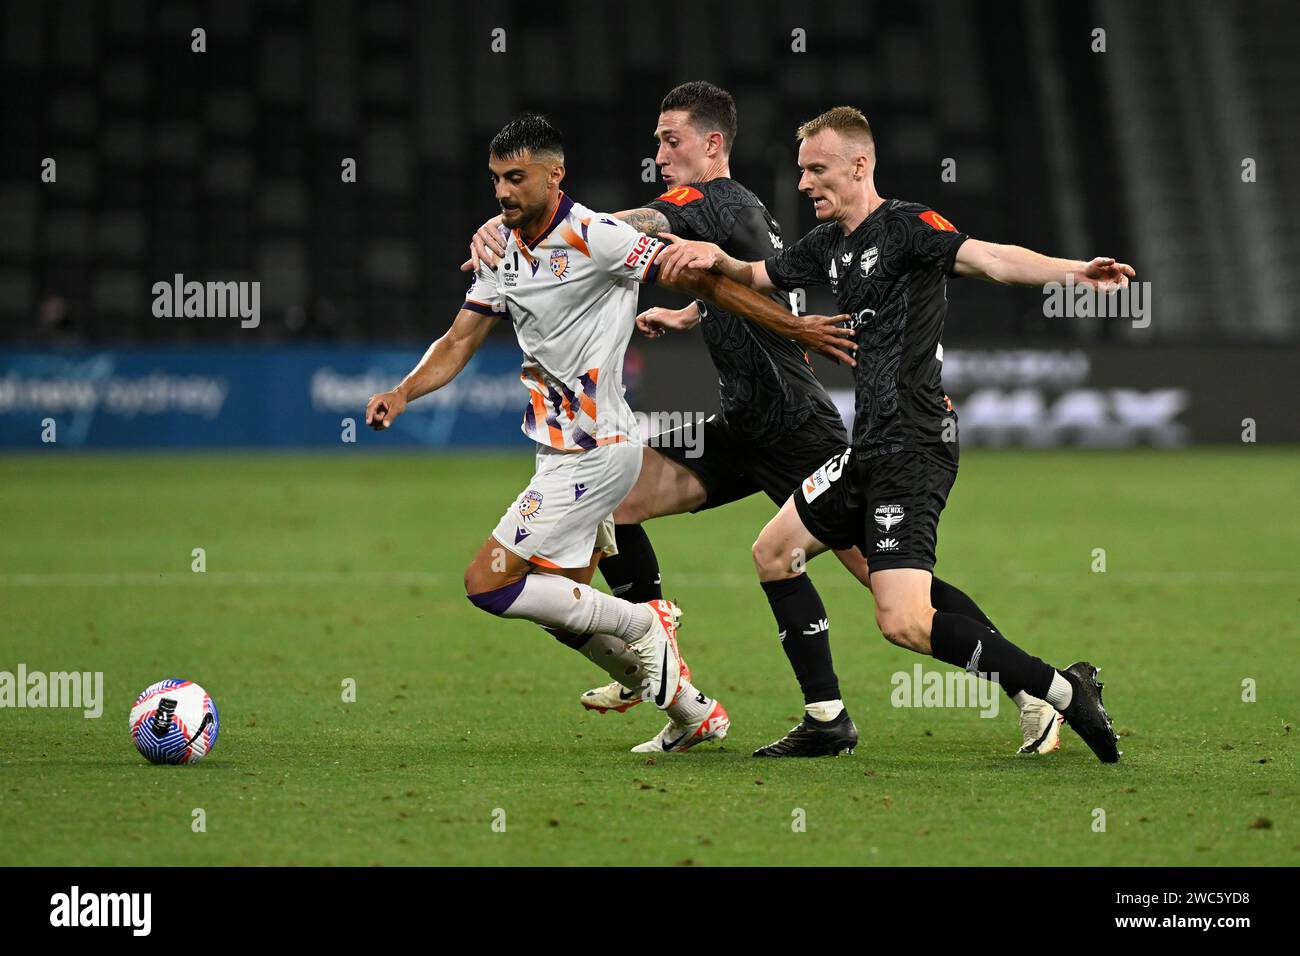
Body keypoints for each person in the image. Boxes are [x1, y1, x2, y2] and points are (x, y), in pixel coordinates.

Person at [655, 106, 1128, 762]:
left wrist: (1074, 273)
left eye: (817, 170)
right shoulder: (827, 244)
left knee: (903, 621)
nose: (805, 184)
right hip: (865, 449)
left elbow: (988, 258)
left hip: (914, 446)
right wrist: (714, 263)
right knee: (773, 552)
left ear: (860, 165)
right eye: (800, 172)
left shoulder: (908, 226)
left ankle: (1061, 690)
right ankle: (826, 719)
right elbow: (761, 277)